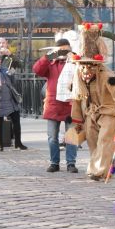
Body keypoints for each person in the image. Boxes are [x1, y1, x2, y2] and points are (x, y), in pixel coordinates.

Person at [71, 24, 115, 181]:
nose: (86, 71)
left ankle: (99, 170)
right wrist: (77, 121)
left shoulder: (107, 76)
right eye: (83, 67)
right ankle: (101, 168)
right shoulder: (78, 77)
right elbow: (77, 99)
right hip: (90, 114)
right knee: (93, 143)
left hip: (108, 112)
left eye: (90, 66)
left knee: (104, 142)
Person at [33, 33, 80, 172]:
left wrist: (75, 58)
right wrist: (48, 57)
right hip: (53, 104)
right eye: (61, 50)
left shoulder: (75, 61)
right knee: (52, 137)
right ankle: (54, 163)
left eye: (66, 50)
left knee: (71, 135)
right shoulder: (51, 62)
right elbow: (37, 70)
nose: (63, 52)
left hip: (71, 103)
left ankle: (71, 163)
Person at [0, 52, 27, 151]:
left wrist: (12, 73)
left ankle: (18, 142)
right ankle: (0, 144)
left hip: (11, 98)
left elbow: (13, 81)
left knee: (16, 120)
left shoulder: (5, 70)